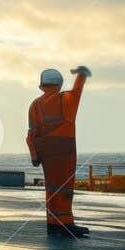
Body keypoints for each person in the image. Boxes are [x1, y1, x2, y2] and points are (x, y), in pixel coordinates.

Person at [27, 65, 90, 238]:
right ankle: (66, 224)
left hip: (45, 150)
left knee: (52, 188)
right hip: (64, 148)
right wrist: (82, 74)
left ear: (42, 85)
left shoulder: (34, 106)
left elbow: (31, 135)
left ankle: (53, 225)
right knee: (65, 188)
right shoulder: (65, 99)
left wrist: (34, 155)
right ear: (59, 84)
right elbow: (77, 91)